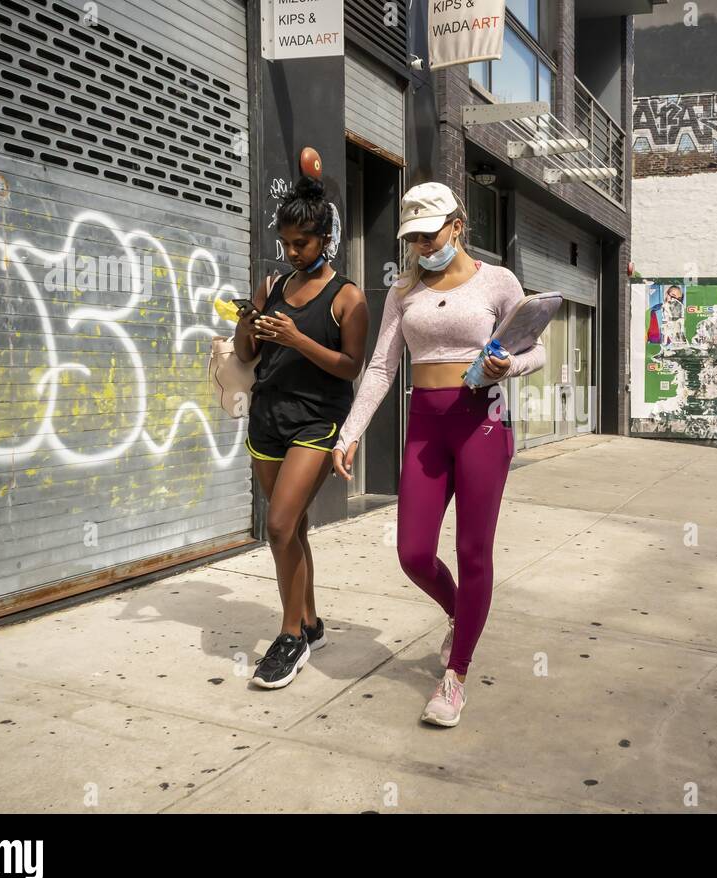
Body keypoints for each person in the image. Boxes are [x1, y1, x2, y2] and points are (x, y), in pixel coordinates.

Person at [332, 182, 544, 728]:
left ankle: (456, 676)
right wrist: (350, 432)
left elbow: (535, 346)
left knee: (474, 552)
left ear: (457, 225)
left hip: (484, 423)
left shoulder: (497, 281)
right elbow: (381, 367)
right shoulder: (403, 291)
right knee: (413, 553)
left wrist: (509, 367)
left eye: (430, 235)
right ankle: (460, 611)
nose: (423, 247)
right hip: (426, 426)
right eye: (414, 239)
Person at [233, 178, 369, 690]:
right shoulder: (271, 287)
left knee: (279, 525)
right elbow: (247, 355)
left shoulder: (346, 296)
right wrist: (250, 323)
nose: (291, 252)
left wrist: (297, 337)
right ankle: (311, 622)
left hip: (317, 422)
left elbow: (351, 366)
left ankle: (290, 636)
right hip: (268, 418)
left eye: (302, 243)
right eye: (286, 242)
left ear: (326, 239)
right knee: (293, 530)